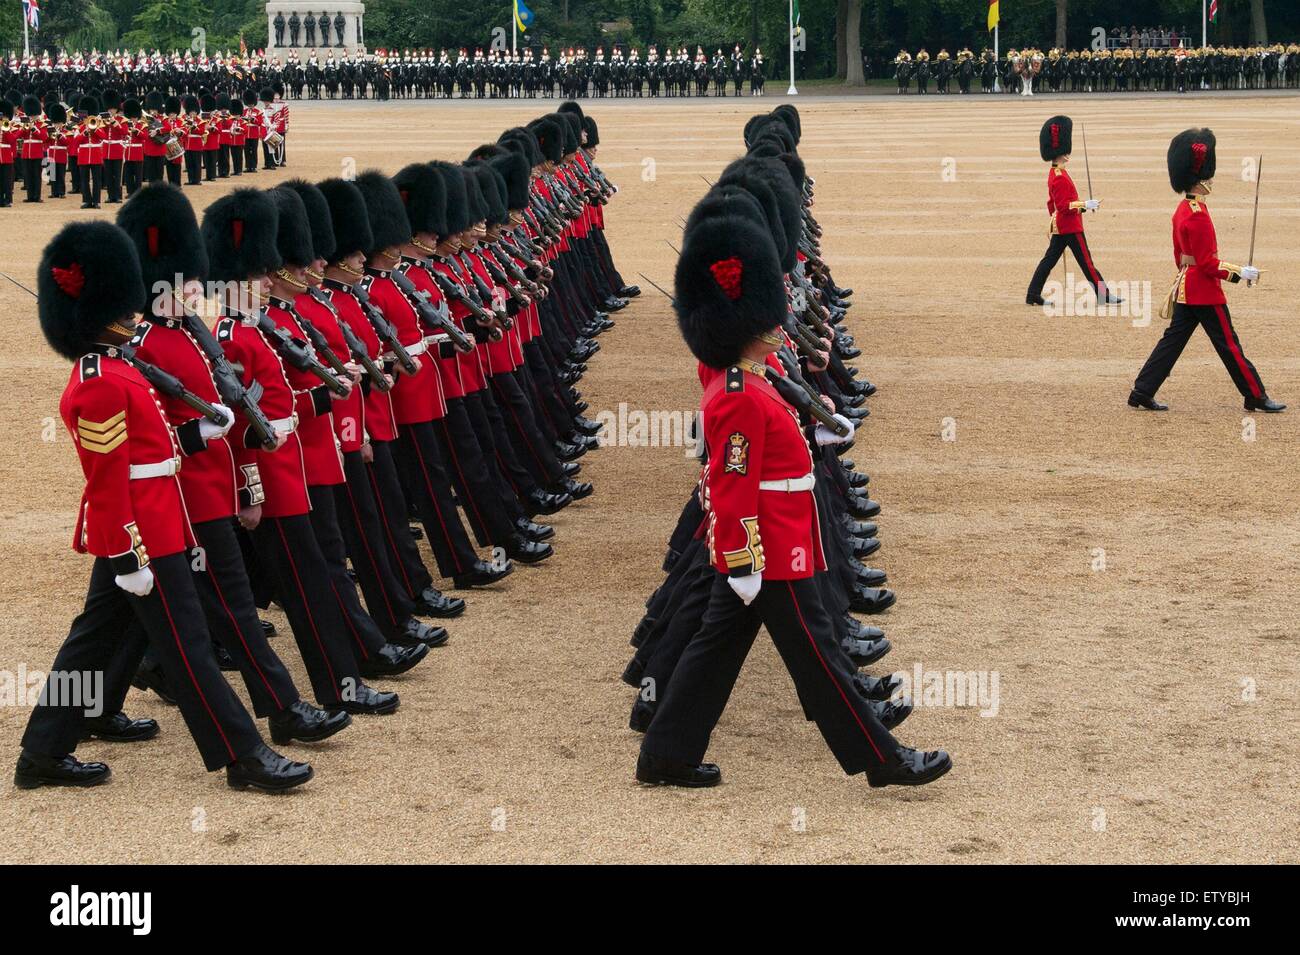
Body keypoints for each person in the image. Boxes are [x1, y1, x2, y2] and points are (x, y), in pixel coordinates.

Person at [635, 144, 951, 790]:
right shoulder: (738, 397)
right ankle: (883, 758)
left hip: (779, 540)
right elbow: (733, 486)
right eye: (766, 321)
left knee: (717, 651)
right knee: (821, 658)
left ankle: (665, 753)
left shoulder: (747, 379)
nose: (779, 326)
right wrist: (746, 559)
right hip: (771, 549)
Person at [16, 220, 313, 792]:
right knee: (189, 646)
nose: (133, 318)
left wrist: (205, 431)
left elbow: (159, 449)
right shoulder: (100, 380)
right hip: (143, 533)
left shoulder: (122, 366)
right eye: (121, 311)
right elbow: (108, 482)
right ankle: (243, 755)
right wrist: (130, 557)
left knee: (94, 638)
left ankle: (43, 751)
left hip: (157, 517)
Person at [1129, 129, 1283, 413]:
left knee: (1172, 342)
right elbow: (1209, 263)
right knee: (1229, 345)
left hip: (1187, 286)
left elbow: (1180, 256)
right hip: (1204, 290)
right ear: (1200, 180)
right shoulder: (1198, 215)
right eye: (1208, 177)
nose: (1211, 180)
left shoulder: (1182, 209)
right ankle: (1255, 395)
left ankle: (1142, 390)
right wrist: (1240, 273)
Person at [1025, 115, 1116, 307]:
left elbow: (1052, 204)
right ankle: (1103, 295)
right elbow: (1064, 206)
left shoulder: (1057, 172)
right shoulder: (1059, 176)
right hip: (1070, 227)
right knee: (1087, 262)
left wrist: (1056, 217)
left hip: (1063, 226)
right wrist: (1085, 205)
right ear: (1059, 152)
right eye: (1065, 151)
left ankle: (1033, 293)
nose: (1068, 154)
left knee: (1048, 261)